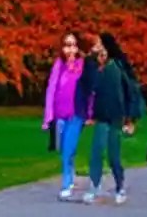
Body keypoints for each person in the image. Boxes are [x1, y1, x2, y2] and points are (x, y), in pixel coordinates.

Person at [79, 33, 139, 205]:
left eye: (100, 45)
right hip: (101, 116)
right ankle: (94, 185)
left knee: (114, 154)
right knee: (97, 151)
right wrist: (90, 59)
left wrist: (130, 119)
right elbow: (86, 85)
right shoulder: (94, 66)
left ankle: (120, 186)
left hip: (117, 117)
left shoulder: (117, 67)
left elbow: (131, 92)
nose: (98, 48)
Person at [42, 33, 85, 202]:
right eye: (67, 45)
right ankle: (71, 172)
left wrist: (90, 113)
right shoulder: (58, 65)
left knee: (68, 148)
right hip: (60, 114)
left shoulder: (82, 65)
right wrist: (48, 117)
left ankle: (66, 184)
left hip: (76, 114)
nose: (70, 49)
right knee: (63, 148)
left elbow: (89, 91)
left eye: (73, 45)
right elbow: (51, 90)